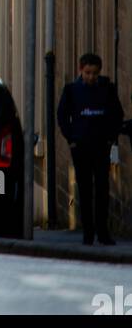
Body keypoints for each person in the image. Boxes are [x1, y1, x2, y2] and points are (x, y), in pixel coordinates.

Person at [57, 52, 124, 246]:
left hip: (101, 146)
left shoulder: (107, 89)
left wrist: (110, 138)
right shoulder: (71, 90)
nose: (91, 77)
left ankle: (102, 232)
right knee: (85, 190)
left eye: (94, 73)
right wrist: (71, 139)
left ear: (99, 72)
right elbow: (62, 116)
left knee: (102, 189)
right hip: (81, 147)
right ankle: (88, 233)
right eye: (87, 73)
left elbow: (117, 114)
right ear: (81, 70)